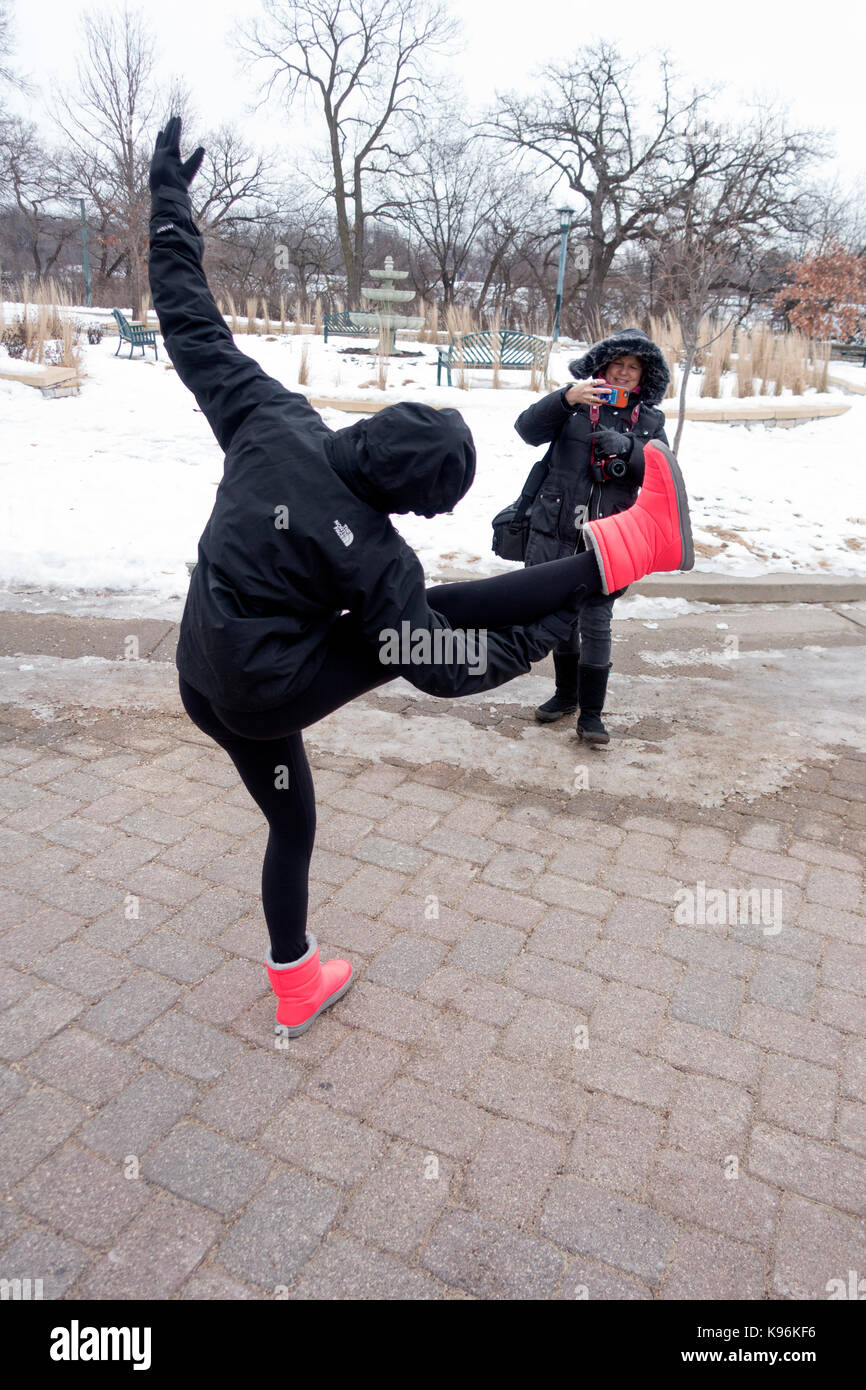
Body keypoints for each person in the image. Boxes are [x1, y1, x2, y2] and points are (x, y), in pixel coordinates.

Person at [148, 119, 693, 1039]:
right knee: (416, 623)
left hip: (201, 674)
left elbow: (189, 319)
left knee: (316, 777)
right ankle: (613, 559)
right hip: (271, 689)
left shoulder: (268, 415)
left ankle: (297, 981)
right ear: (410, 501)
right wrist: (559, 625)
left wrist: (171, 203)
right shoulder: (377, 554)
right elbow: (442, 666)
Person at [515, 329, 671, 744]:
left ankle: (592, 715)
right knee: (562, 618)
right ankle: (565, 695)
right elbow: (526, 430)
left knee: (597, 621)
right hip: (557, 526)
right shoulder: (575, 404)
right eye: (617, 364)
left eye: (632, 367)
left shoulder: (651, 420)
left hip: (611, 534)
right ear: (603, 367)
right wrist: (566, 398)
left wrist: (631, 449)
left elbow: (662, 476)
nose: (623, 372)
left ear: (643, 376)